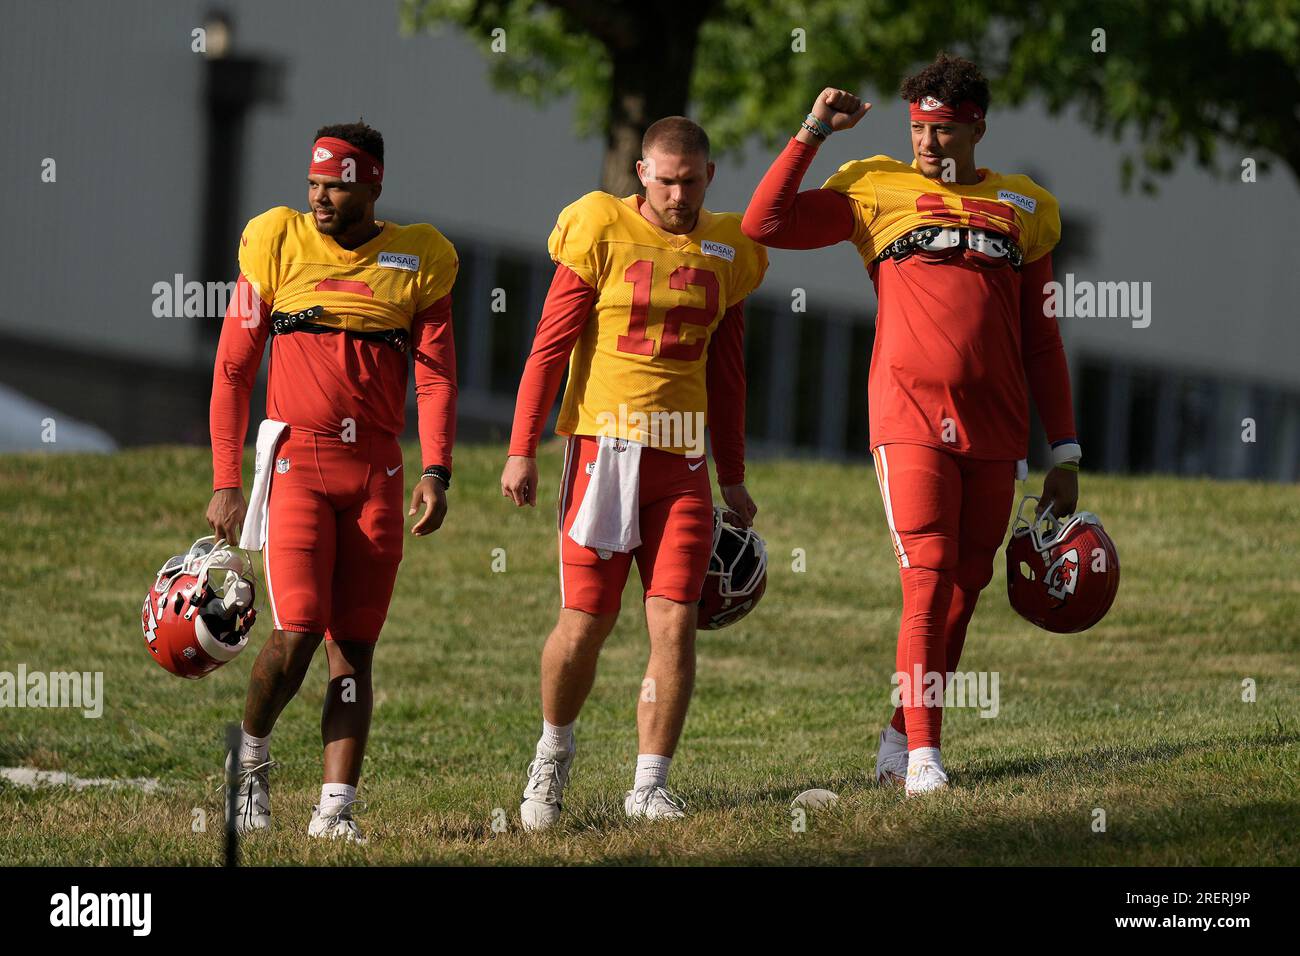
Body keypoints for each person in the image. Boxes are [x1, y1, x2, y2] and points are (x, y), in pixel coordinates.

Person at [741, 54, 1081, 795]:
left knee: (966, 585)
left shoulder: (1023, 207)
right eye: (919, 128)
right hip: (910, 415)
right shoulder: (875, 186)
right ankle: (927, 758)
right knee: (926, 578)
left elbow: (1043, 339)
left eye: (945, 130)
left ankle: (901, 737)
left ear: (977, 127)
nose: (928, 144)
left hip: (998, 425)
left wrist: (1066, 449)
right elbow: (763, 222)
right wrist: (811, 132)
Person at [501, 116, 767, 828]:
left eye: (690, 181)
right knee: (586, 623)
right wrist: (522, 445)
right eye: (666, 179)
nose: (678, 195)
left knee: (675, 623)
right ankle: (553, 753)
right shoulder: (599, 225)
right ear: (642, 173)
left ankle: (650, 783)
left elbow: (730, 372)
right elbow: (549, 347)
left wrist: (732, 474)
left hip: (683, 458)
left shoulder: (727, 246)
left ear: (709, 177)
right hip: (603, 449)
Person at [207, 122, 458, 840]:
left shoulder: (420, 257)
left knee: (355, 645)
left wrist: (436, 469)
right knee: (296, 631)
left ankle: (334, 809)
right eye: (314, 182)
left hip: (377, 468)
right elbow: (232, 368)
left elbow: (436, 376)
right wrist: (229, 477)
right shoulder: (277, 241)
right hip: (298, 461)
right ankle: (248, 762)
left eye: (338, 184)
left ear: (373, 184)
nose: (320, 196)